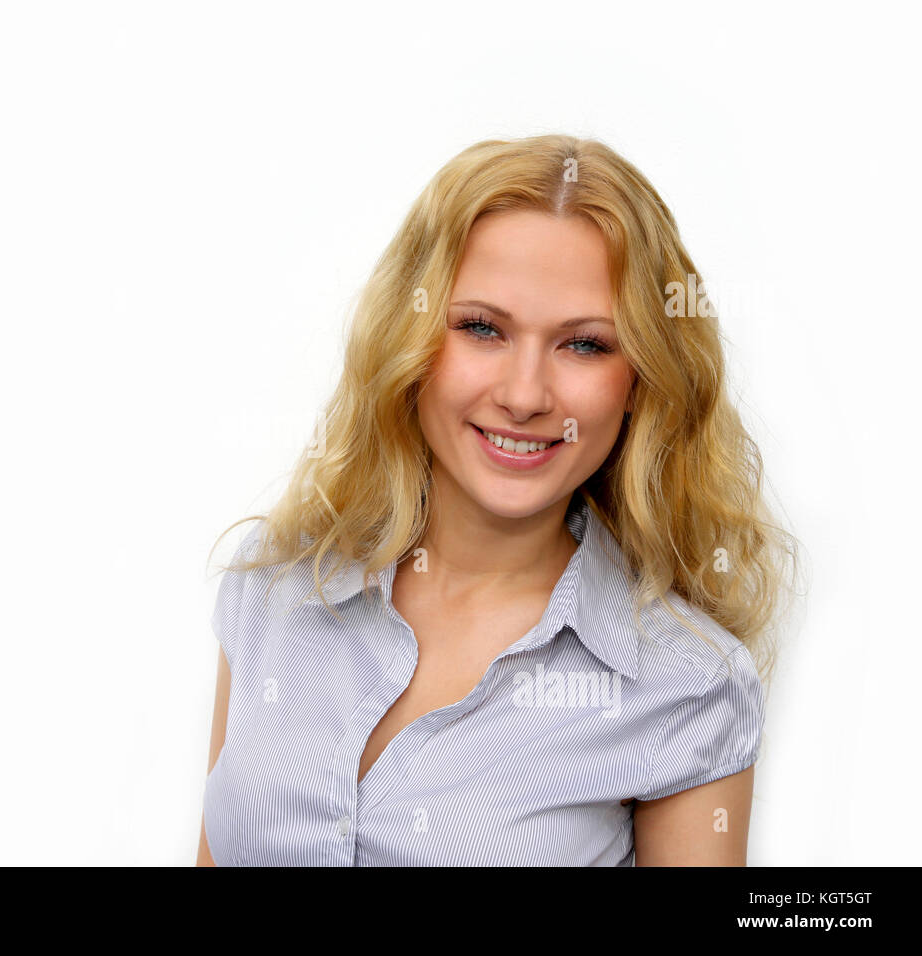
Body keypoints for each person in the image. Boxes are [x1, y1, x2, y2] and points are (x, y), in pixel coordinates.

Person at [197, 134, 799, 866]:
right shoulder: (277, 584)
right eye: (482, 328)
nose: (523, 396)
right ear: (411, 337)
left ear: (641, 381)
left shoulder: (687, 686)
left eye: (584, 345)